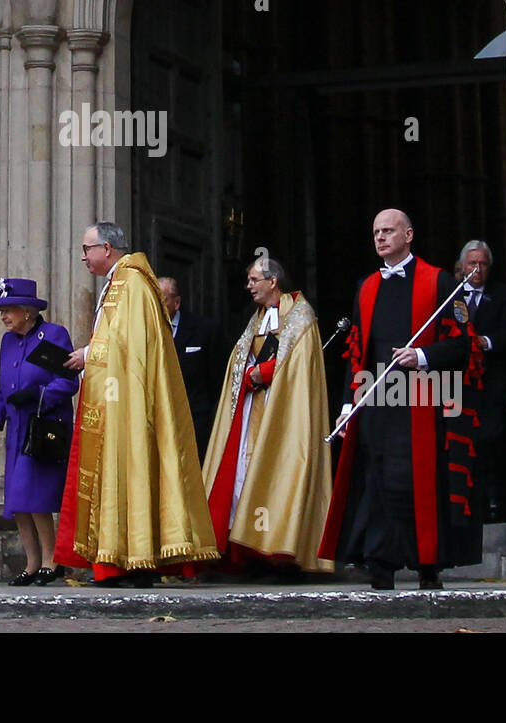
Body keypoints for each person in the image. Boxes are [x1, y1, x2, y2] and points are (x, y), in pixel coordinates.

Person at [318, 209, 479, 590]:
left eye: (388, 231)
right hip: (376, 399)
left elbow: (462, 344)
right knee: (376, 484)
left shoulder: (440, 282)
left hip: (422, 399)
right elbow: (357, 353)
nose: (380, 238)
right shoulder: (366, 287)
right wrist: (346, 406)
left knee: (417, 482)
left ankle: (428, 566)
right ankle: (380, 565)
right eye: (376, 232)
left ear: (408, 235)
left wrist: (421, 356)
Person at [54, 222, 219, 585]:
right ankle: (117, 560)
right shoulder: (121, 283)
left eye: (87, 249)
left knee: (128, 472)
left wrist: (88, 353)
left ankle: (133, 560)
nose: (83, 256)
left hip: (127, 404)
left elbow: (133, 347)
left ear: (107, 249)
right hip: (113, 399)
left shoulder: (133, 284)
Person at [201, 257, 335, 578]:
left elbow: (297, 367)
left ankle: (277, 553)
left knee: (277, 476)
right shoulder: (256, 319)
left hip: (282, 414)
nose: (249, 286)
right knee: (242, 477)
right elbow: (240, 359)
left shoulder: (301, 318)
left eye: (253, 280)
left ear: (273, 281)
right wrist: (248, 372)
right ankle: (245, 551)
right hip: (251, 411)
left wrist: (264, 372)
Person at [0, 277, 80, 585]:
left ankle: (52, 562)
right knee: (16, 501)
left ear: (27, 310)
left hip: (42, 427)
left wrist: (37, 395)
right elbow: (3, 386)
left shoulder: (51, 335)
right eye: (0, 311)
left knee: (35, 497)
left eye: (8, 309)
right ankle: (31, 562)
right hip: (16, 428)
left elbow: (68, 382)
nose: (3, 316)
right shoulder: (8, 342)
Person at [456, 240, 506, 522]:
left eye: (483, 264)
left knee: (493, 443)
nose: (477, 269)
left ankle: (496, 504)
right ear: (463, 267)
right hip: (461, 384)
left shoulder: (501, 295)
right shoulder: (453, 296)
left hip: (493, 383)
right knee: (463, 445)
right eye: (472, 264)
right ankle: (469, 507)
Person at [157, 276, 221, 454]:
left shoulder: (205, 330)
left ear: (176, 303)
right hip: (157, 420)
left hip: (194, 420)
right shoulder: (145, 330)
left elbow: (217, 378)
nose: (156, 304)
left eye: (162, 299)